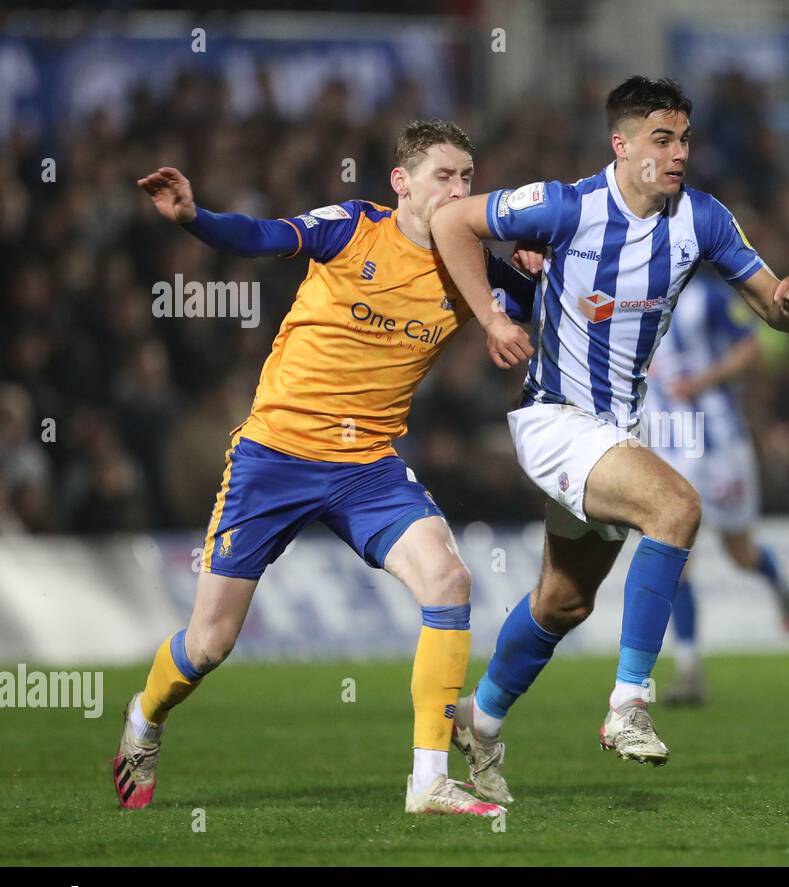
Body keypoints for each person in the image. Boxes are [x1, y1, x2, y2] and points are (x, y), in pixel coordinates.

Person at [115, 120, 533, 815]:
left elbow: (537, 302)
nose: (460, 190)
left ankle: (428, 780)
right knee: (211, 643)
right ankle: (144, 717)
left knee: (450, 579)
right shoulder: (351, 228)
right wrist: (196, 219)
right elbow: (261, 236)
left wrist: (535, 271)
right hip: (274, 455)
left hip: (367, 464)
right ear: (402, 182)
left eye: (467, 177)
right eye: (444, 176)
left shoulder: (473, 267)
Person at [430, 76, 789, 804]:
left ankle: (477, 721)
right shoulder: (566, 205)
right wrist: (491, 318)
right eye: (662, 140)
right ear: (622, 144)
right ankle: (628, 705)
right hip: (554, 421)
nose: (678, 154)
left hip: (614, 432)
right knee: (676, 507)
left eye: (685, 140)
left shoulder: (702, 220)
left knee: (563, 602)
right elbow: (453, 222)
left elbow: (772, 306)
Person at [641, 270, 789, 706]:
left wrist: (703, 381)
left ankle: (777, 583)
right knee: (675, 556)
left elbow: (753, 351)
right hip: (670, 450)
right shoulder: (634, 298)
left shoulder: (706, 298)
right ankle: (689, 669)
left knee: (740, 553)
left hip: (719, 443)